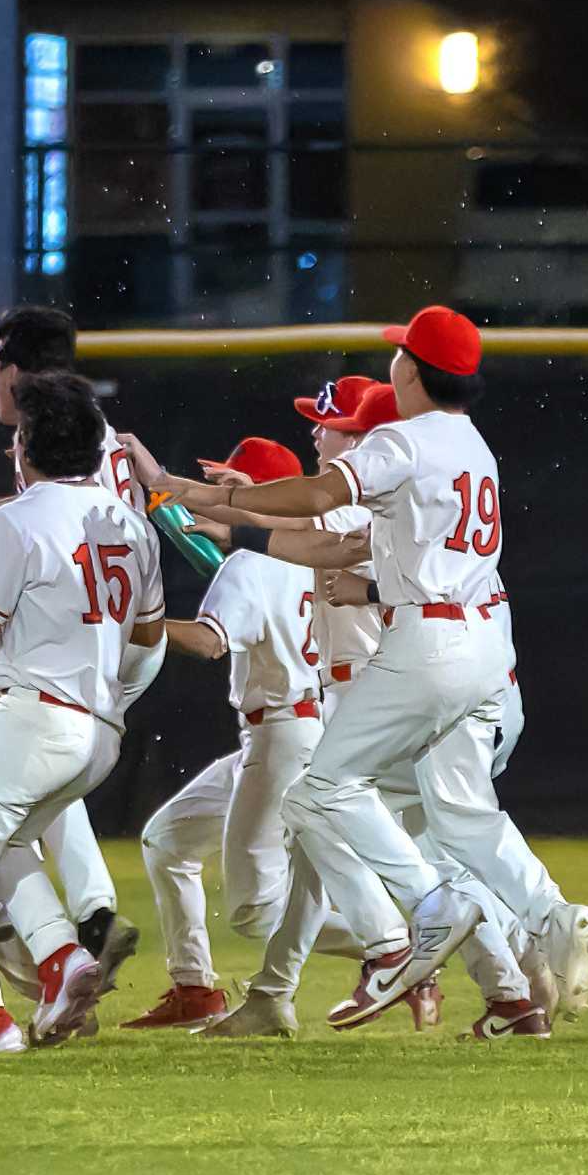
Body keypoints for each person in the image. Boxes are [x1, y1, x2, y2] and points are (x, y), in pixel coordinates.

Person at [135, 307, 549, 1040]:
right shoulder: (469, 450)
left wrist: (195, 494)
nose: (322, 432)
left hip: (402, 670)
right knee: (404, 827)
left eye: (334, 424)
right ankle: (502, 985)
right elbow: (323, 543)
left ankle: (411, 934)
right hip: (472, 658)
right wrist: (225, 513)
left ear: (410, 375)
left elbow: (321, 509)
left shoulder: (396, 450)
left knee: (325, 800)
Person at [0, 370, 166, 1053]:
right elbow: (151, 637)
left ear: (29, 446)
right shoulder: (134, 523)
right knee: (2, 844)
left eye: (18, 437)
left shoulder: (16, 518)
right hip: (99, 730)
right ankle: (62, 960)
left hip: (39, 713)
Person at [133, 437, 354, 1030]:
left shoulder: (251, 562)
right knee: (167, 841)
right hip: (299, 726)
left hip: (283, 734)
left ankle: (396, 944)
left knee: (256, 912)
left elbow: (210, 641)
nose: (223, 498)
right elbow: (205, 541)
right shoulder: (313, 552)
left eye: (236, 487)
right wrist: (161, 498)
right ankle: (195, 988)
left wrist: (135, 623)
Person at [0, 306, 134, 969]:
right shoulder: (82, 428)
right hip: (102, 642)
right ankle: (83, 920)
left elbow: (71, 519)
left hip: (80, 655)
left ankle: (64, 927)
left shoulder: (73, 436)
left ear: (17, 371)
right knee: (8, 762)